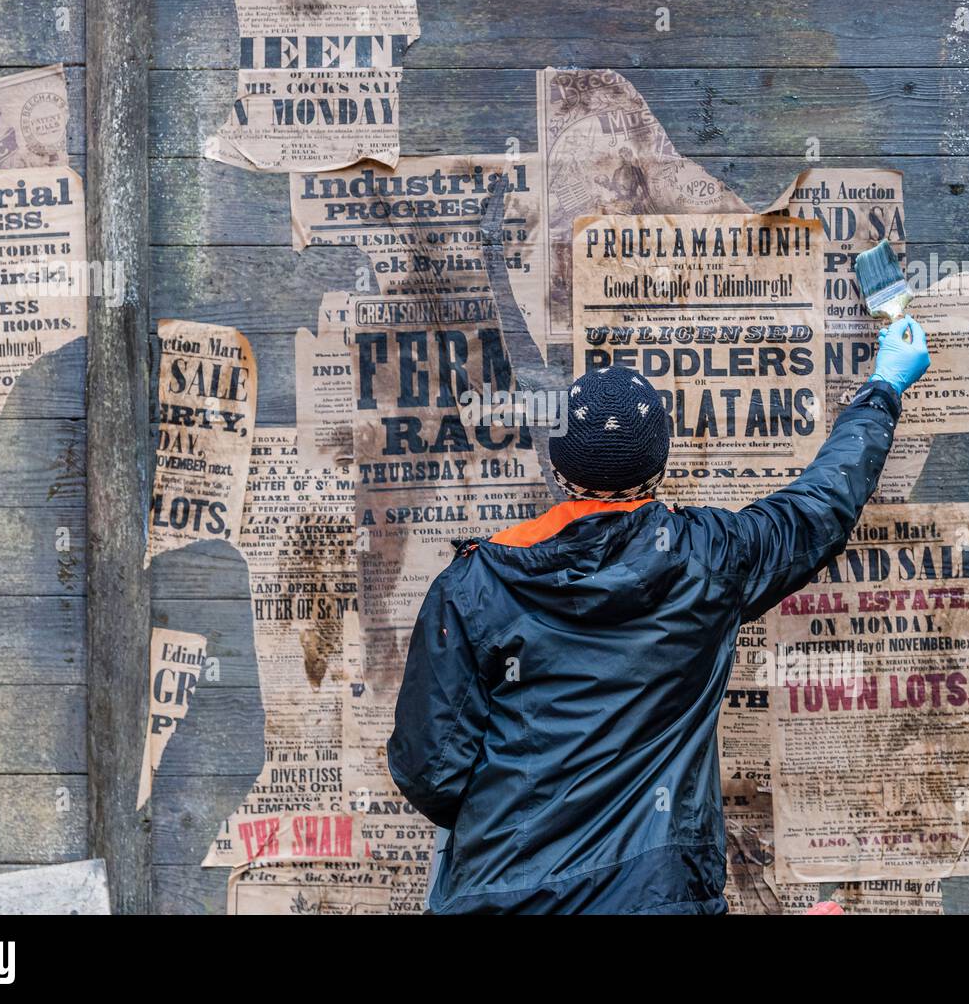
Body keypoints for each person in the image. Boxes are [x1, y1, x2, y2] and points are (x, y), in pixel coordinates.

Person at [388, 317, 931, 914]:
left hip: (501, 898)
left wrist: (520, 825)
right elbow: (817, 510)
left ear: (559, 468)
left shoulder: (471, 586)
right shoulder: (711, 559)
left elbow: (430, 771)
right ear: (658, 469)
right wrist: (883, 387)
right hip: (656, 898)